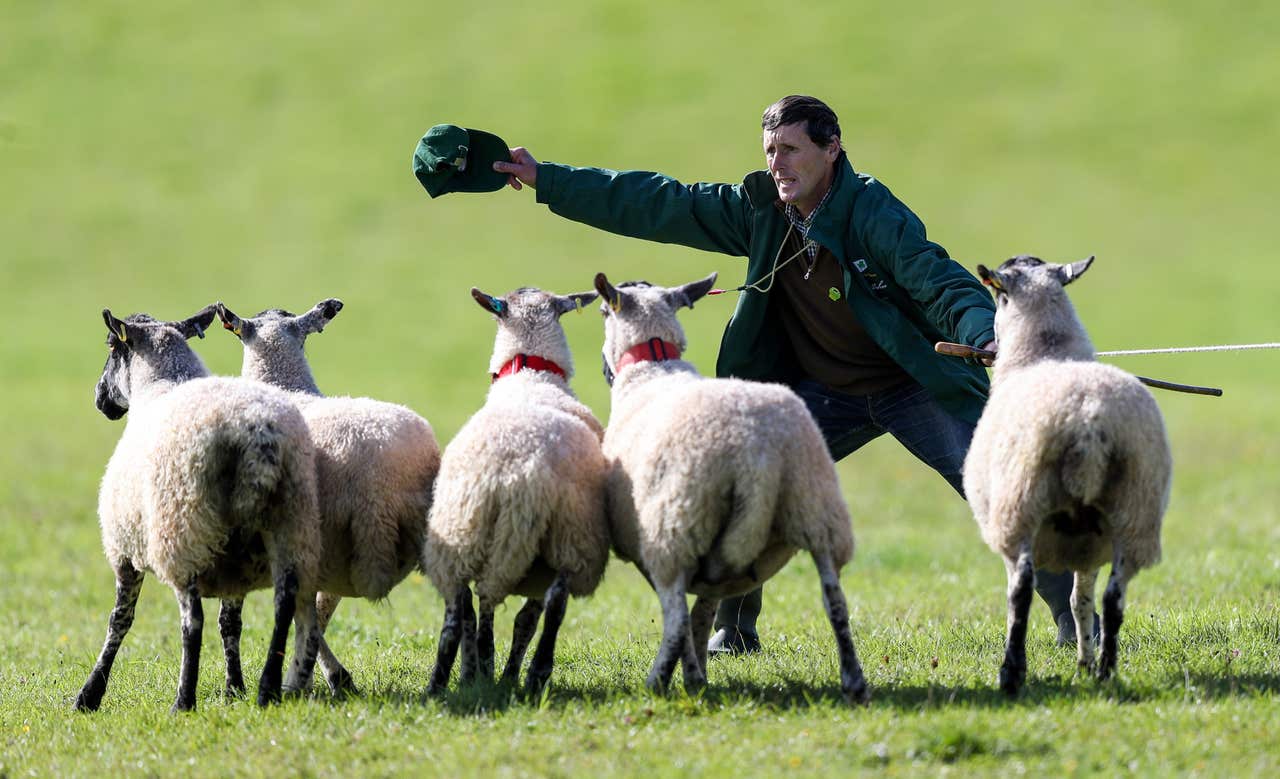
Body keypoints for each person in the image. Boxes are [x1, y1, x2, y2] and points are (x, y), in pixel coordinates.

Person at [491, 94, 1085, 653]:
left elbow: (939, 278)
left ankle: (1067, 619)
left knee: (999, 487)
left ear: (832, 150)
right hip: (819, 395)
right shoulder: (757, 211)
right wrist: (547, 179)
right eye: (770, 150)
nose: (778, 163)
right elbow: (657, 201)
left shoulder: (874, 211)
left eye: (791, 150)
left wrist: (986, 332)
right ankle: (735, 628)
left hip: (912, 386)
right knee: (753, 485)